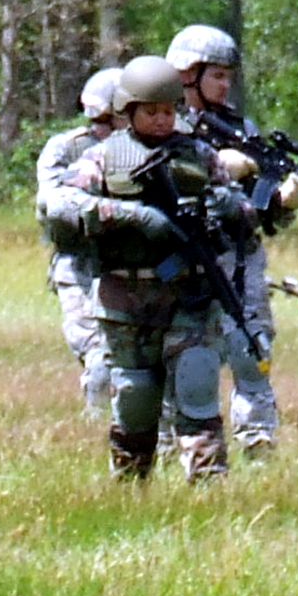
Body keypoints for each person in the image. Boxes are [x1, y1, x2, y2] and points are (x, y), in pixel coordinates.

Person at [39, 55, 255, 481]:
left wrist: (223, 206)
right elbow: (58, 205)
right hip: (127, 299)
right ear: (129, 110)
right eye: (151, 111)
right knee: (136, 395)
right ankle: (129, 484)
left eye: (168, 111)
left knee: (197, 382)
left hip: (190, 296)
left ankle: (209, 485)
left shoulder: (199, 155)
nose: (161, 120)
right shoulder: (102, 158)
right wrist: (131, 216)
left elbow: (244, 209)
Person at [167, 24, 298, 456]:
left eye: (228, 76)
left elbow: (259, 213)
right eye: (217, 75)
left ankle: (257, 436)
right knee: (182, 356)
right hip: (183, 260)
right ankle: (170, 441)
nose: (226, 85)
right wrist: (214, 169)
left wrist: (283, 202)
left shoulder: (239, 129)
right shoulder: (161, 123)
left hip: (238, 258)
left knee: (252, 346)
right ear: (187, 74)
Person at [35, 66, 125, 416]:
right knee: (99, 355)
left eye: (108, 120)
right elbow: (53, 205)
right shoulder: (65, 149)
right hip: (79, 265)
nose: (99, 129)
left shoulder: (149, 150)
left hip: (131, 265)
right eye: (96, 121)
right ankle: (97, 426)